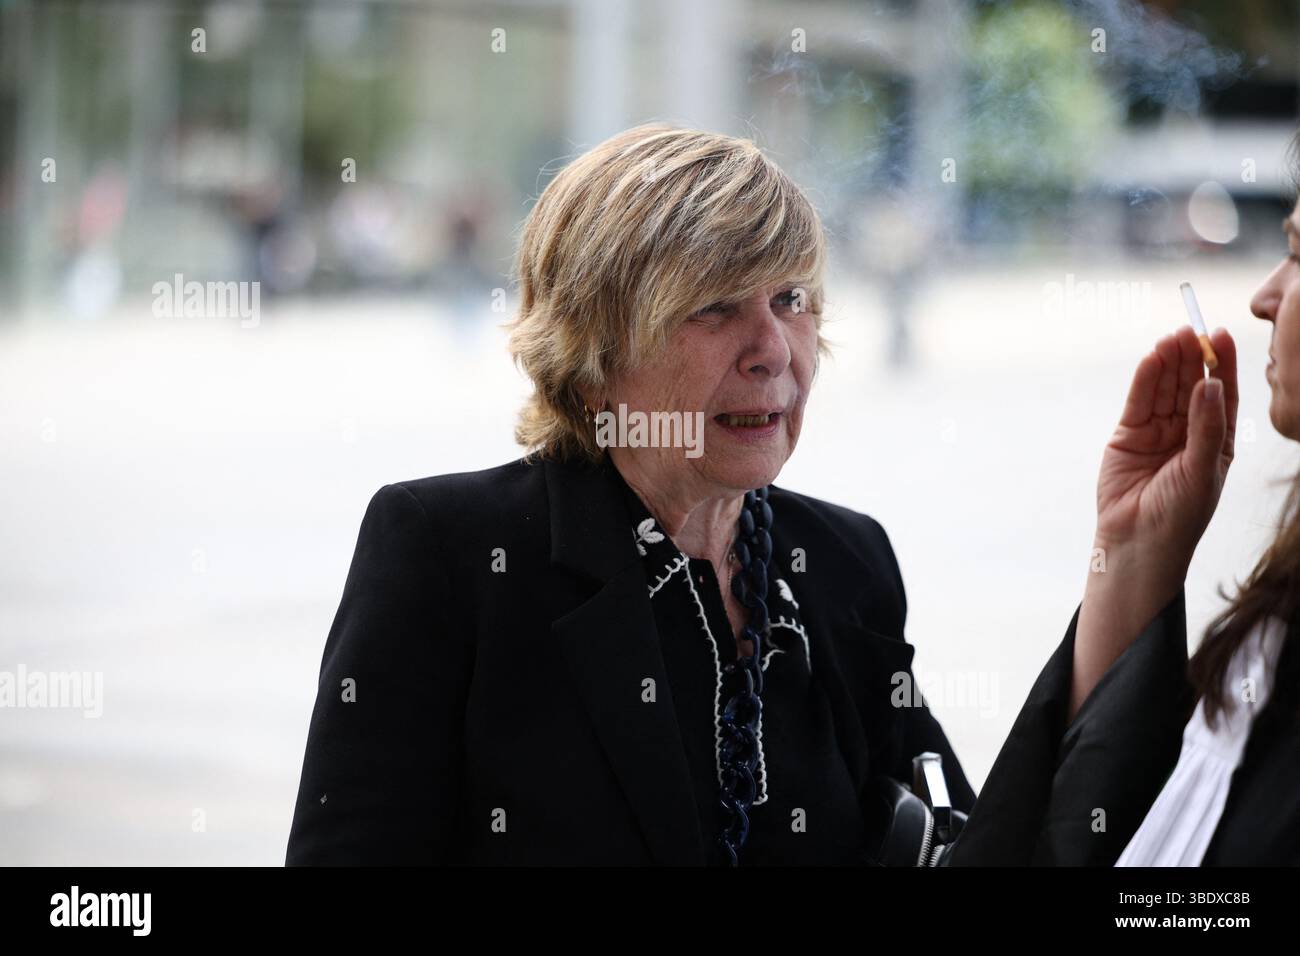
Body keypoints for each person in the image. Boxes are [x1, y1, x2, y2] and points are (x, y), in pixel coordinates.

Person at [284, 123, 1234, 866]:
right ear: (589, 355)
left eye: (792, 300)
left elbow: (983, 845)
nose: (773, 351)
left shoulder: (844, 563)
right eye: (714, 308)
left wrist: (1131, 555)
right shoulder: (450, 550)